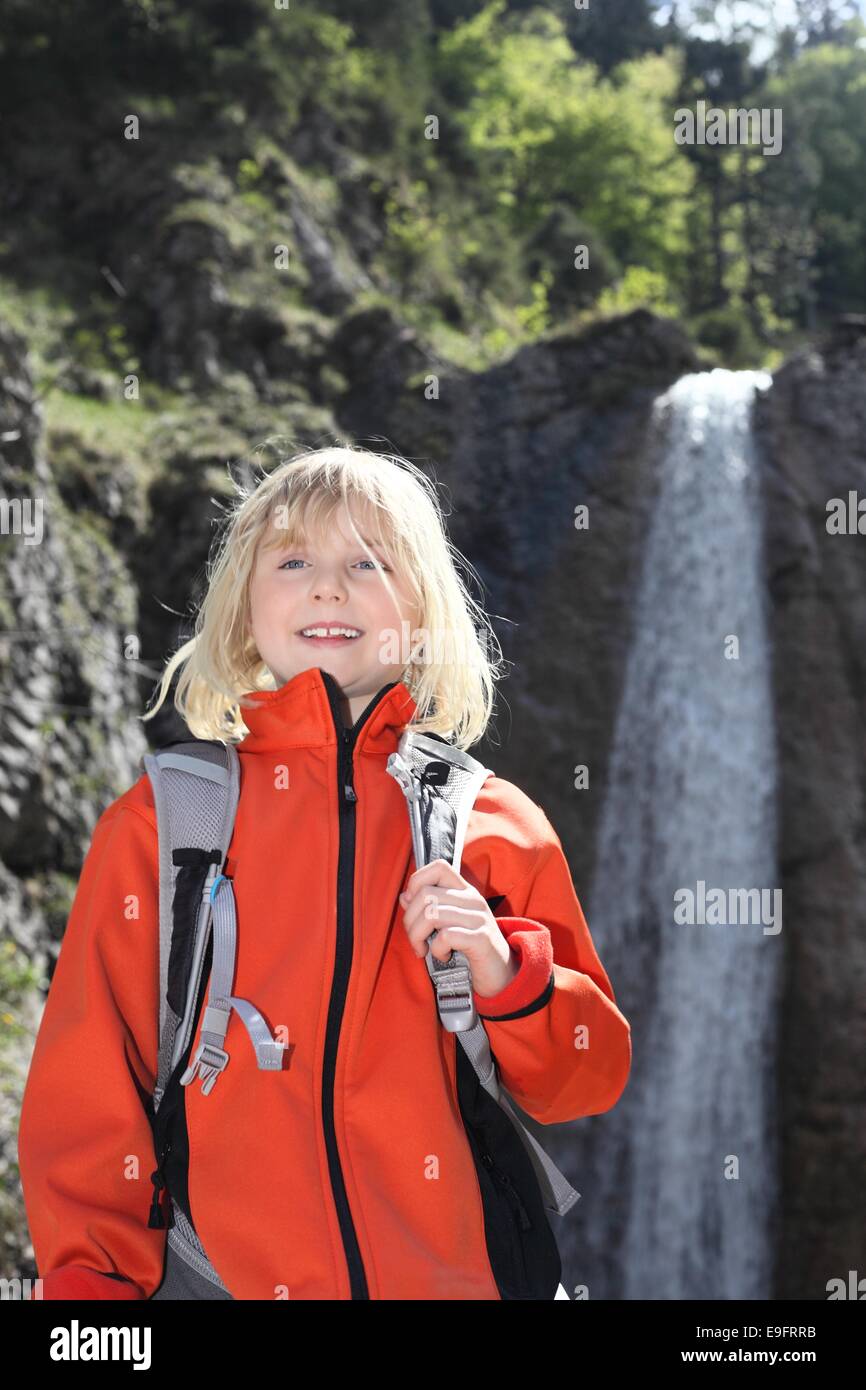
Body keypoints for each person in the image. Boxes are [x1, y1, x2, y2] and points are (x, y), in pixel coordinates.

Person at [17, 443, 631, 1300]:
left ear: (422, 610)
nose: (328, 586)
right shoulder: (161, 826)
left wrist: (508, 972)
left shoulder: (494, 824)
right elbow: (87, 1093)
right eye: (294, 559)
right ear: (241, 612)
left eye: (367, 562)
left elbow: (587, 1076)